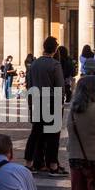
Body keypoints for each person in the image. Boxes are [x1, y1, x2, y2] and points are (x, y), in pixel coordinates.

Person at [23, 37, 65, 175]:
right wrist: (61, 104)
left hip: (36, 100)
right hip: (52, 100)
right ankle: (53, 165)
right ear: (54, 49)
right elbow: (60, 86)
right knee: (53, 135)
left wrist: (30, 104)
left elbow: (28, 85)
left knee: (36, 134)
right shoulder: (55, 64)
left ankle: (30, 163)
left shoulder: (34, 64)